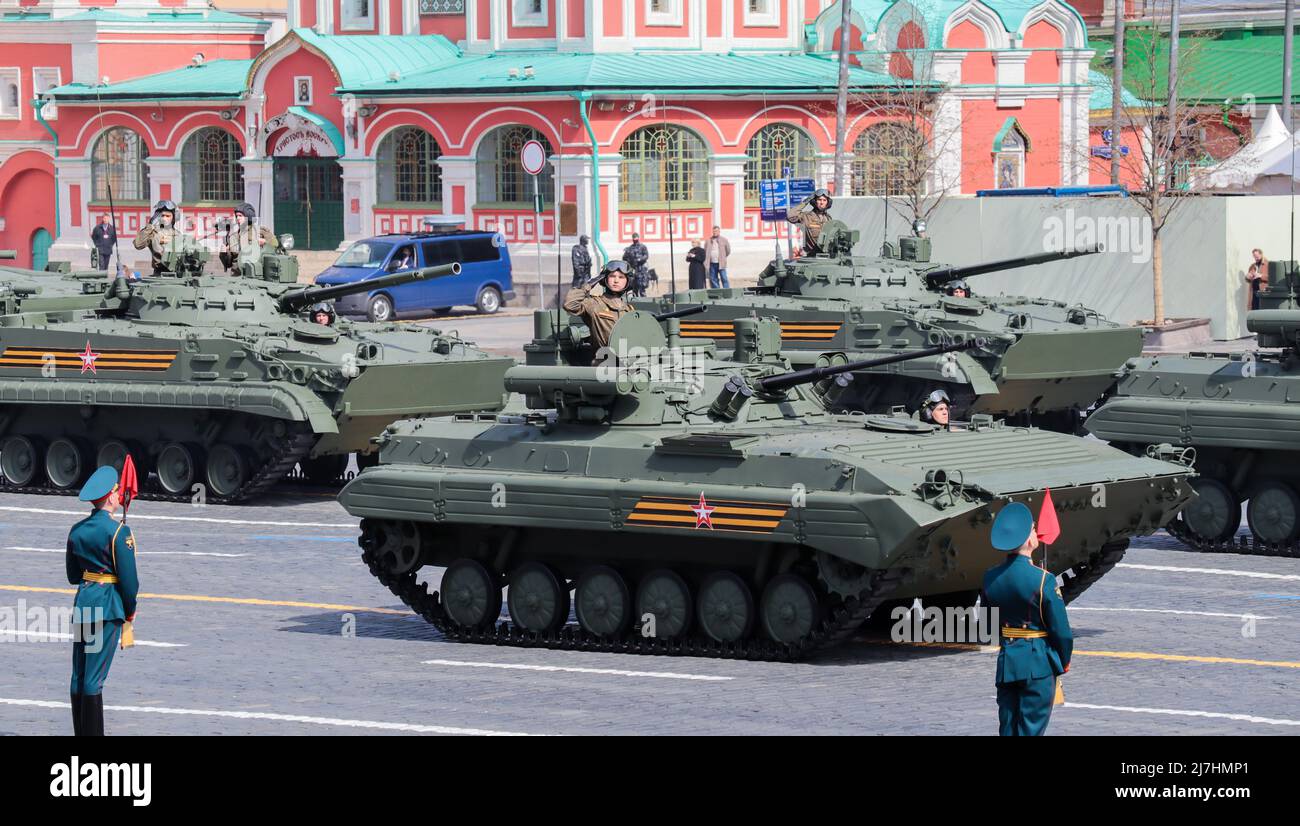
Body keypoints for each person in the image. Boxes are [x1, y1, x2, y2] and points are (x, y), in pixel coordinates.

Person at [981, 502, 1072, 737]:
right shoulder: (1043, 580)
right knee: (1030, 729)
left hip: (1007, 663)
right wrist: (1062, 661)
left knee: (1008, 729)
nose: (1036, 533)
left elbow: (988, 625)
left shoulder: (990, 577)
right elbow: (1061, 631)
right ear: (1028, 540)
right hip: (1038, 664)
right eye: (1033, 529)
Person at [66, 465, 139, 736]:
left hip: (84, 605)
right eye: (117, 490)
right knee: (94, 679)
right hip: (107, 609)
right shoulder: (119, 532)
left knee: (80, 674)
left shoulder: (77, 531)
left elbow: (73, 576)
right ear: (110, 497)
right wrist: (129, 611)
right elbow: (130, 583)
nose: (120, 494)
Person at [563, 259, 633, 350]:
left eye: (621, 277)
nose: (616, 280)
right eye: (612, 276)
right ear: (604, 279)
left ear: (628, 281)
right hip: (603, 356)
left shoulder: (629, 310)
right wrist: (588, 285)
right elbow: (569, 304)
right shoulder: (594, 304)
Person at [133, 200, 195, 276]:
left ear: (174, 217)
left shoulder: (178, 234)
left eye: (168, 216)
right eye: (162, 215)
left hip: (177, 274)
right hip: (160, 274)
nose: (165, 218)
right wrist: (150, 225)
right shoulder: (153, 232)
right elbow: (138, 244)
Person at [219, 201, 281, 275]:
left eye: (240, 216)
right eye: (237, 216)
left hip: (258, 274)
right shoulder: (233, 237)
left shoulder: (261, 231)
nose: (238, 218)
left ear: (248, 216)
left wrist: (264, 242)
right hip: (238, 275)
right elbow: (228, 264)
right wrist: (224, 253)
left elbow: (276, 245)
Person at [787, 188, 833, 256]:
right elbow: (790, 216)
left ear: (828, 202)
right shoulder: (806, 217)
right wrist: (806, 202)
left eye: (824, 200)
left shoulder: (828, 218)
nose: (822, 202)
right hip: (813, 256)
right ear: (815, 201)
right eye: (819, 200)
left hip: (827, 256)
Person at [622, 233, 650, 298]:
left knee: (642, 287)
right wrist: (629, 261)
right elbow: (624, 258)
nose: (635, 240)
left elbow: (646, 256)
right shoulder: (630, 248)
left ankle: (644, 300)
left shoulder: (642, 247)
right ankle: (635, 300)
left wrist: (639, 259)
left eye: (636, 239)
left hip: (641, 269)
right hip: (633, 269)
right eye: (634, 239)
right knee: (634, 287)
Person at [1245, 248, 1269, 313]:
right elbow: (1248, 280)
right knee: (1254, 310)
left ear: (1261, 254)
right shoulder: (1252, 266)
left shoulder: (1268, 264)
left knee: (1262, 311)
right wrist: (1247, 277)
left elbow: (1272, 278)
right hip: (1253, 293)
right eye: (1254, 257)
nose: (1255, 258)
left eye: (1257, 256)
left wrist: (1260, 276)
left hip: (1263, 293)